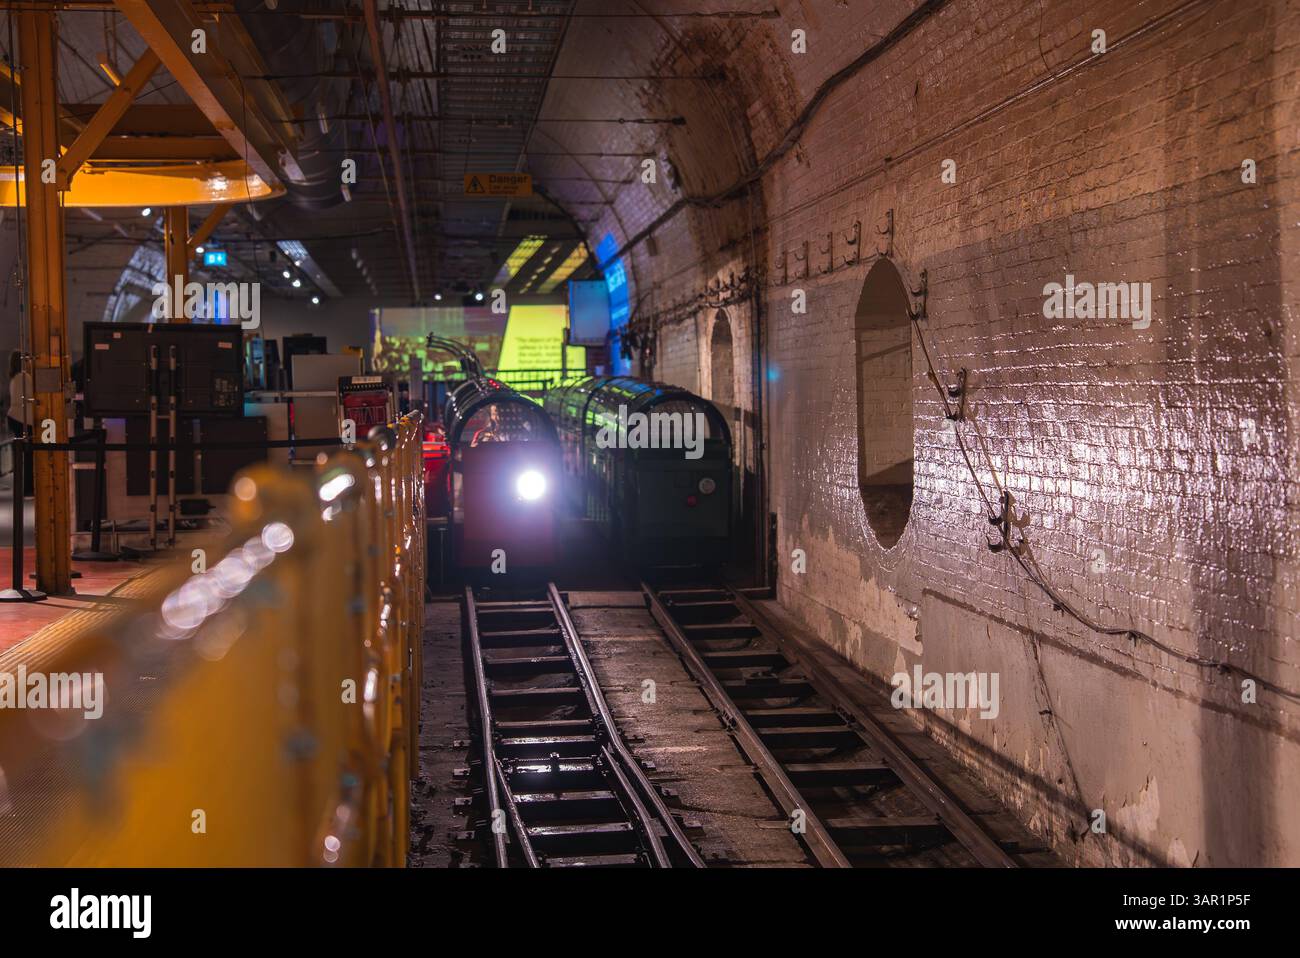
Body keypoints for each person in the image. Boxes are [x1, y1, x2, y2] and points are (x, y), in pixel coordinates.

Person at [6, 351, 33, 497]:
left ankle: (23, 486)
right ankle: (28, 487)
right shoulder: (25, 377)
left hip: (14, 418)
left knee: (21, 454)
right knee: (29, 454)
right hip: (24, 419)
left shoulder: (15, 378)